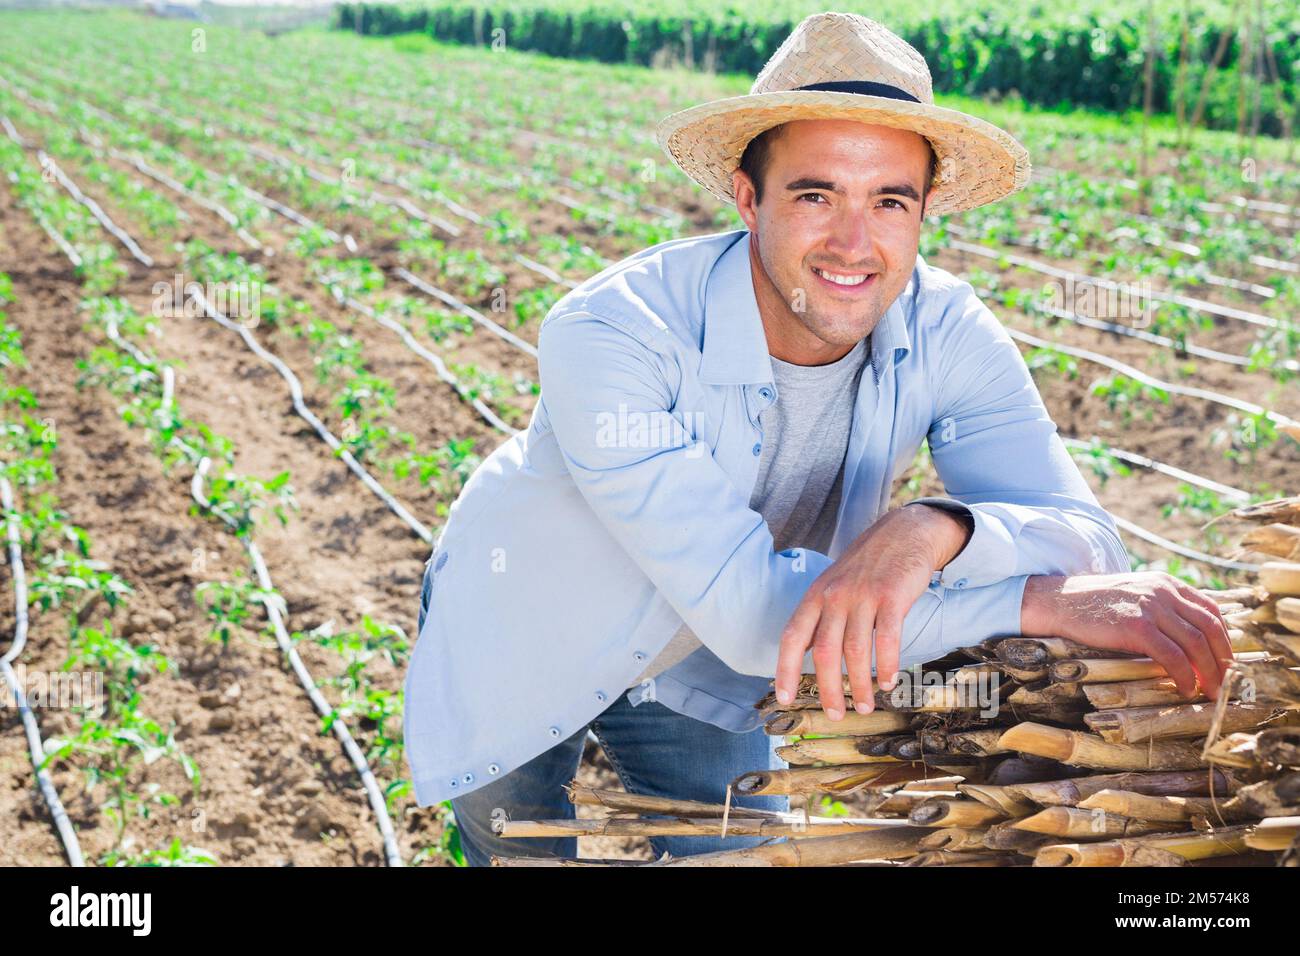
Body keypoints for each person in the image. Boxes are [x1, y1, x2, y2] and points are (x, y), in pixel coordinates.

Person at [403, 11, 1234, 866]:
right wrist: (1028, 599)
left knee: (737, 852)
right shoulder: (614, 330)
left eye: (888, 201)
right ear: (747, 197)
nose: (852, 241)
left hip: (707, 669)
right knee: (521, 848)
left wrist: (934, 529)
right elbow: (755, 615)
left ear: (923, 212)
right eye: (814, 194)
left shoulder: (948, 328)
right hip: (534, 617)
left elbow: (1084, 534)